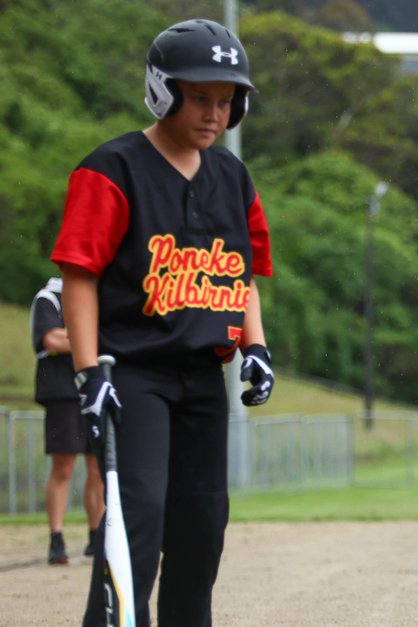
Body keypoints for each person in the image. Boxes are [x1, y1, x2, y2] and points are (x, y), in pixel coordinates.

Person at [50, 18, 275, 625]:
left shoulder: (232, 177)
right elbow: (80, 276)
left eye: (226, 101)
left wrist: (256, 347)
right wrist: (89, 371)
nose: (212, 113)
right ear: (163, 90)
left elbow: (242, 274)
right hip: (132, 373)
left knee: (202, 525)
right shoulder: (112, 168)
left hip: (203, 377)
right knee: (141, 514)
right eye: (199, 97)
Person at [30, 276, 104, 565]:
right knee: (64, 466)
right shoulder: (49, 298)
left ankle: (95, 535)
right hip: (62, 392)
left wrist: (72, 338)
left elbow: (67, 338)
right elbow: (51, 339)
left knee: (96, 467)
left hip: (92, 387)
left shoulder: (96, 294)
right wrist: (87, 339)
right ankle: (56, 538)